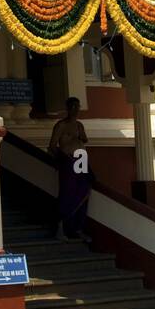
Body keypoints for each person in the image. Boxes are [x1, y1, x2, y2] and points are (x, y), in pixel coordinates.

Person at [48, 97, 91, 242]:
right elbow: (52, 146)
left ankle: (77, 229)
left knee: (83, 192)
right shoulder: (61, 125)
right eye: (72, 107)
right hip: (68, 160)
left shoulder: (79, 125)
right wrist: (62, 159)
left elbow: (85, 139)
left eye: (77, 107)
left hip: (81, 160)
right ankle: (60, 228)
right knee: (67, 193)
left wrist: (78, 138)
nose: (75, 110)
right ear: (68, 108)